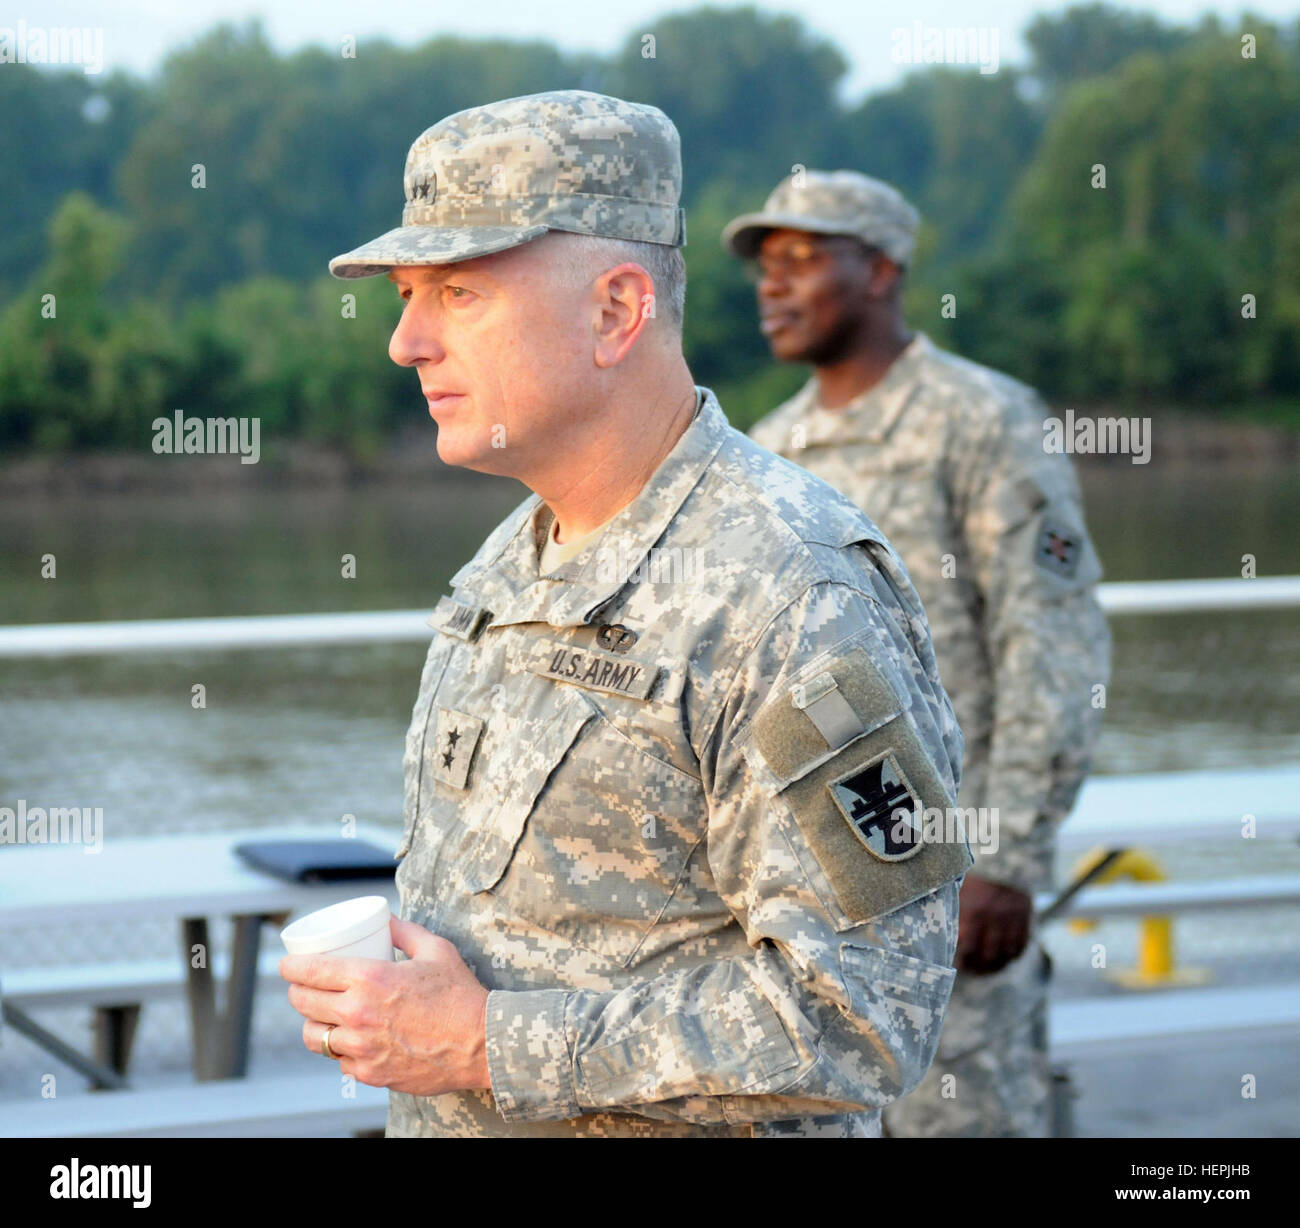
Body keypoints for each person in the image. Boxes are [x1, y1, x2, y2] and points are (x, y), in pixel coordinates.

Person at [281, 92, 973, 1138]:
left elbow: (865, 1013)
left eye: (458, 292)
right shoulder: (504, 563)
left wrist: (482, 1041)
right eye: (408, 295)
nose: (406, 341)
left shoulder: (789, 588)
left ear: (616, 310)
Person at [723, 170, 1111, 1137]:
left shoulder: (983, 420)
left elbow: (1053, 648)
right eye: (765, 268)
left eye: (804, 260)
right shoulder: (766, 453)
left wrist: (1011, 858)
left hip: (953, 888)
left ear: (884, 270)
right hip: (811, 904)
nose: (773, 286)